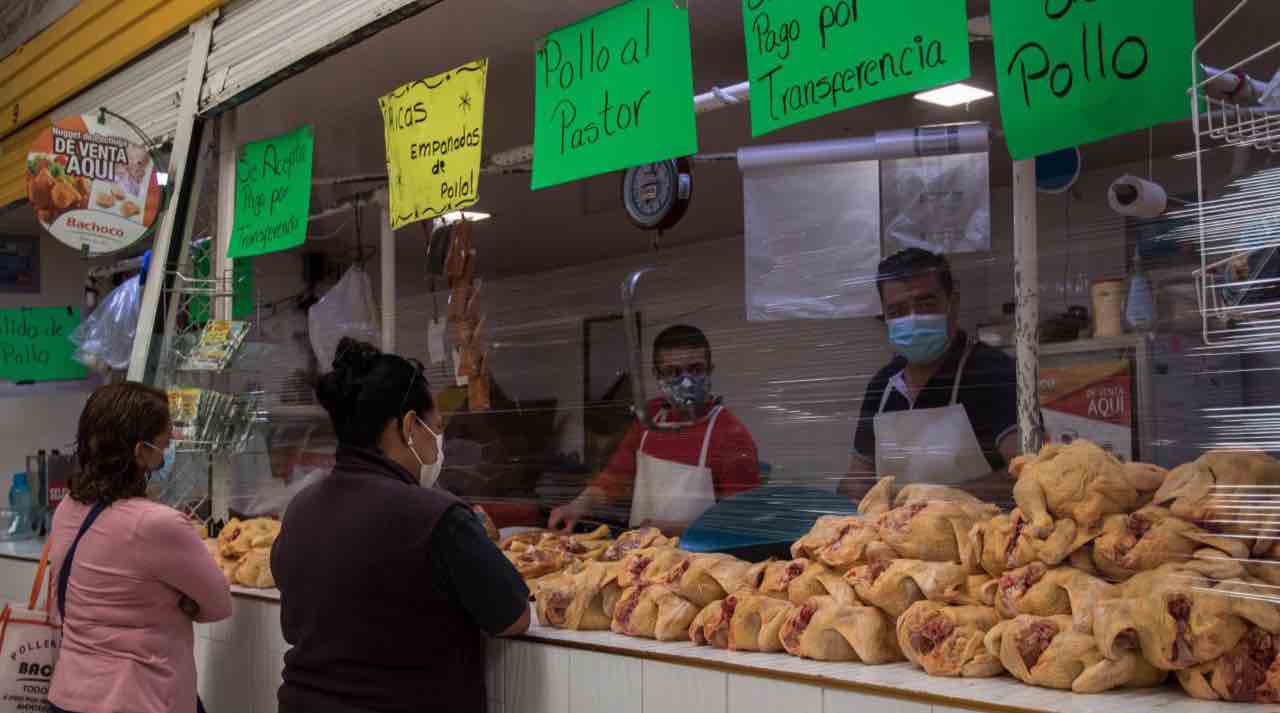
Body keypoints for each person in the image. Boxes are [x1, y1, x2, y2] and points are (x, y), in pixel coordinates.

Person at [272, 338, 529, 713]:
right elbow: (513, 617)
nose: (439, 442)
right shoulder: (439, 517)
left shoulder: (300, 510)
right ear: (409, 425)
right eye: (437, 426)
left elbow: (295, 626)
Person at [48, 383, 232, 713]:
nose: (167, 453)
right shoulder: (156, 524)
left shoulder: (67, 510)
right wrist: (180, 601)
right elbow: (218, 604)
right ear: (140, 451)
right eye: (163, 444)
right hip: (140, 698)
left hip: (69, 696)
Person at [836, 249, 1022, 505]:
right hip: (895, 537)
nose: (912, 318)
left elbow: (1025, 473)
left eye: (925, 304)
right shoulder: (882, 386)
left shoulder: (992, 373)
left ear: (952, 303)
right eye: (898, 310)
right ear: (885, 316)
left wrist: (932, 502)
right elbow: (858, 479)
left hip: (979, 539)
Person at [549, 325, 760, 535]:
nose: (686, 381)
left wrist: (666, 531)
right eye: (672, 372)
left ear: (710, 370)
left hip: (700, 563)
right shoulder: (648, 418)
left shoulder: (731, 435)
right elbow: (616, 477)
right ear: (656, 375)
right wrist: (577, 506)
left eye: (696, 369)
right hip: (639, 558)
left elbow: (739, 523)